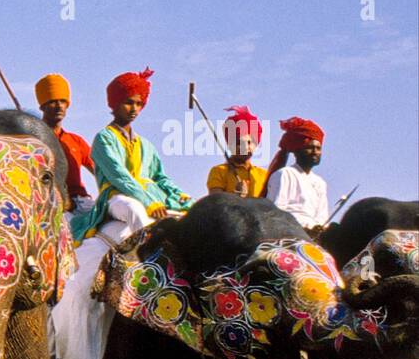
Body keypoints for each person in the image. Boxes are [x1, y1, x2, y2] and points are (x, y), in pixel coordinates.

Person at [68, 68, 191, 241]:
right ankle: (150, 264)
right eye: (128, 102)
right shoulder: (104, 139)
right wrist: (148, 202)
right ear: (115, 103)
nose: (134, 109)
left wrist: (181, 196)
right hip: (117, 198)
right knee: (135, 210)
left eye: (139, 104)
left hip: (152, 195)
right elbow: (120, 177)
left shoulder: (146, 145)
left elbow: (160, 178)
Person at [34, 73, 94, 212]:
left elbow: (101, 171)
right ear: (42, 106)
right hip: (51, 204)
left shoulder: (76, 141)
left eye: (62, 101)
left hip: (82, 202)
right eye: (52, 101)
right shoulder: (34, 140)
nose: (59, 106)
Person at [264, 116, 329, 230]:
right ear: (297, 151)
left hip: (316, 236)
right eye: (310, 148)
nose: (315, 152)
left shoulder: (320, 183)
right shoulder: (284, 174)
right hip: (290, 232)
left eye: (318, 148)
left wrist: (319, 229)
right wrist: (304, 229)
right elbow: (276, 212)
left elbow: (322, 217)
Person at [206, 105, 268, 197]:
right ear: (231, 145)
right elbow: (215, 203)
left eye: (249, 142)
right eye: (239, 143)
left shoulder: (263, 175)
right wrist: (235, 196)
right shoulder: (219, 171)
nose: (245, 147)